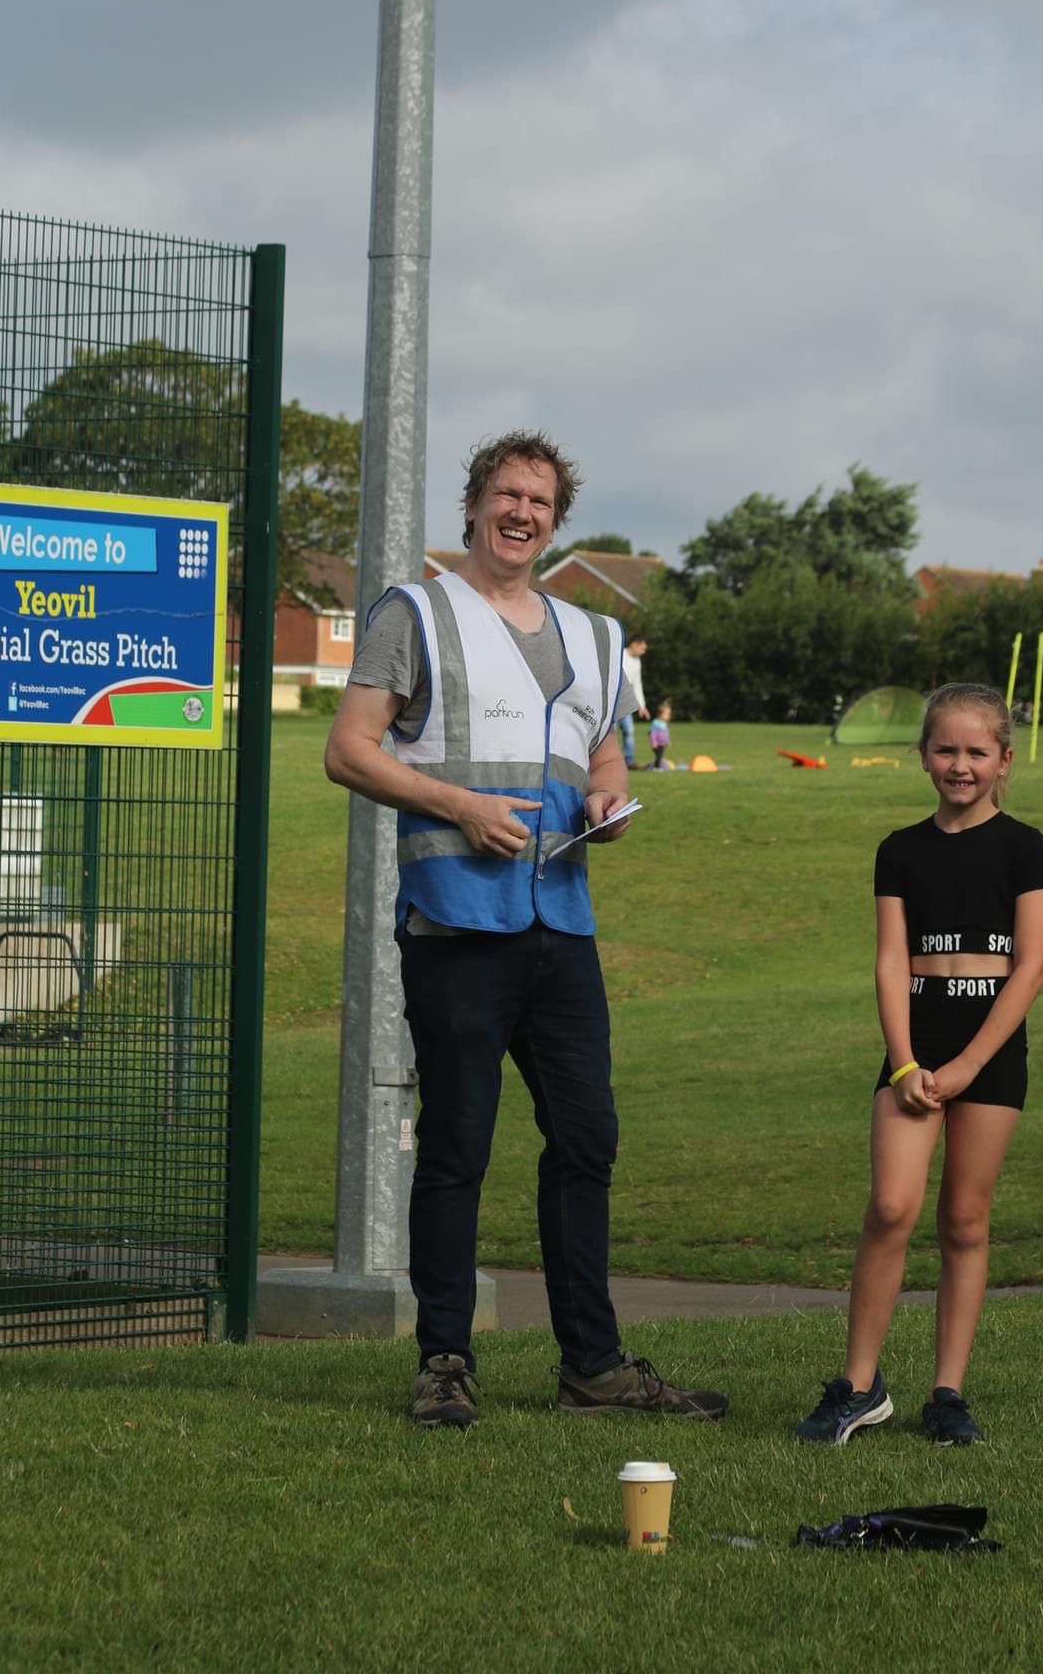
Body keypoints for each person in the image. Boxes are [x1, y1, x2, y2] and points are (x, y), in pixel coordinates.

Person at [325, 430, 728, 1430]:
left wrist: (608, 800)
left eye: (541, 502)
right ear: (474, 505)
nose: (523, 513)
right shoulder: (413, 613)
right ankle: (445, 1362)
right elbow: (347, 752)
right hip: (457, 924)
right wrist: (459, 806)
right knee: (459, 1147)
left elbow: (606, 756)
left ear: (557, 520)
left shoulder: (593, 635)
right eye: (508, 494)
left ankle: (592, 1367)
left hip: (562, 925)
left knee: (588, 1140)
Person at [795, 683, 1043, 1448]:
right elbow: (888, 962)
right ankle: (859, 1384)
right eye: (946, 749)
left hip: (991, 1058)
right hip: (915, 1053)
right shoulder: (899, 850)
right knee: (891, 1209)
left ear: (1005, 760)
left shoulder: (1024, 846)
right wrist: (906, 1065)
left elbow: (1030, 967)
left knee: (964, 1220)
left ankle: (947, 1394)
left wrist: (973, 1063)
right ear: (923, 756)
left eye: (978, 752)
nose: (961, 765)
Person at [618, 634, 649, 768]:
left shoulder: (637, 662)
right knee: (608, 733)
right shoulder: (619, 654)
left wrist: (642, 706)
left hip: (625, 700)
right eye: (642, 648)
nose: (644, 651)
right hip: (612, 699)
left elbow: (637, 684)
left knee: (629, 730)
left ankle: (629, 761)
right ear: (634, 644)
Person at [647, 698, 672, 770]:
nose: (668, 716)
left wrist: (668, 741)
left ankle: (656, 765)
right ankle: (656, 767)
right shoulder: (656, 723)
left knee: (660, 755)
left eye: (669, 714)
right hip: (657, 744)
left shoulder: (665, 724)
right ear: (660, 714)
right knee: (659, 755)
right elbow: (652, 733)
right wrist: (653, 742)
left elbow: (667, 733)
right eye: (667, 714)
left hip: (662, 743)